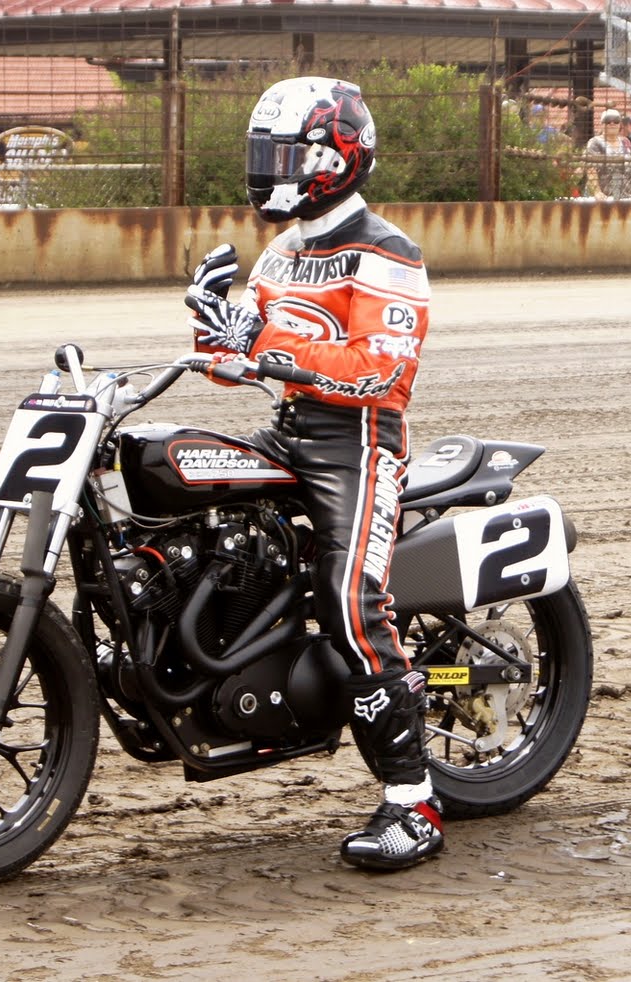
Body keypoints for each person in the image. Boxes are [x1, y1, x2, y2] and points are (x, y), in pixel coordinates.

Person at [181, 76, 442, 871]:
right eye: (262, 153)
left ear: (334, 156)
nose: (265, 169)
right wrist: (213, 325)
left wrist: (260, 344)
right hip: (290, 429)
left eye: (280, 153)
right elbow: (236, 364)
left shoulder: (387, 251)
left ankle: (415, 804)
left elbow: (381, 372)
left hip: (358, 443)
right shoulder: (285, 249)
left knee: (351, 601)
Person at [585, 109, 631, 199]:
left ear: (620, 124)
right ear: (602, 124)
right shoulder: (595, 143)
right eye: (608, 120)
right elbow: (591, 169)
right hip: (604, 198)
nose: (612, 123)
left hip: (627, 196)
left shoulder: (625, 141)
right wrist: (597, 192)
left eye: (616, 121)